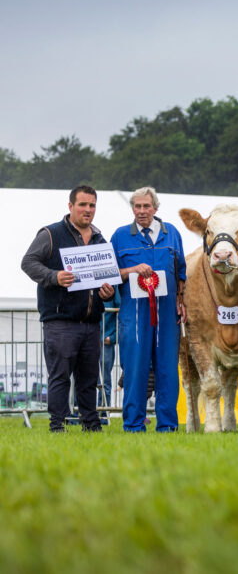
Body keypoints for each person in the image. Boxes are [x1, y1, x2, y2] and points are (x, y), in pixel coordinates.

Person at [21, 185, 116, 432]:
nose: (88, 210)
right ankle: (57, 425)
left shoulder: (99, 239)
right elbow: (28, 262)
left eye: (92, 205)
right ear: (70, 206)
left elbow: (105, 280)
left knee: (88, 379)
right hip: (60, 321)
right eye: (82, 204)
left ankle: (91, 424)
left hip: (91, 322)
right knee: (60, 377)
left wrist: (108, 292)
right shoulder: (51, 234)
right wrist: (54, 276)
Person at [110, 186, 187, 433]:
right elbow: (110, 274)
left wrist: (181, 301)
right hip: (134, 316)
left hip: (167, 315)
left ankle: (168, 425)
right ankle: (133, 425)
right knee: (134, 371)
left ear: (155, 207)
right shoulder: (120, 236)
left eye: (146, 206)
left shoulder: (172, 233)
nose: (142, 211)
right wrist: (132, 270)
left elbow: (181, 272)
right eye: (137, 206)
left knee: (167, 373)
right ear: (132, 208)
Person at [97, 290, 120, 419]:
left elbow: (121, 312)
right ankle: (79, 414)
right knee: (81, 379)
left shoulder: (113, 286)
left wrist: (112, 338)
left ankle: (103, 414)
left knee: (104, 380)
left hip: (105, 342)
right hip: (88, 339)